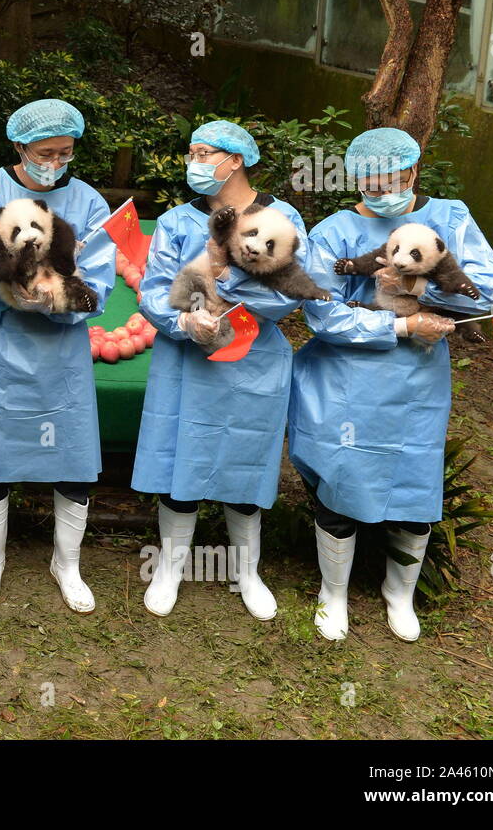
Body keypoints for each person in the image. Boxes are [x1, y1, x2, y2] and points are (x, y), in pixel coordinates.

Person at [289, 127, 493, 641]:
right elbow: (322, 313)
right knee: (340, 481)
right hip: (345, 380)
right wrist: (401, 324)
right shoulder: (336, 230)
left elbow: (485, 292)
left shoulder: (450, 217)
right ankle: (333, 592)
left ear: (413, 170)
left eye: (391, 177)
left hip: (416, 382)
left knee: (414, 483)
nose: (380, 187)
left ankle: (399, 595)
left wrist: (415, 286)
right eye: (369, 178)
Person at [133, 121, 306, 621]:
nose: (195, 161)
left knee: (246, 462)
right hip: (186, 360)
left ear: (235, 160)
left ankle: (247, 570)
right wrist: (183, 319)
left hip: (253, 363)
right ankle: (169, 566)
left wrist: (226, 299)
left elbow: (290, 292)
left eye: (205, 152)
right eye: (192, 151)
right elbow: (154, 288)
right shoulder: (175, 222)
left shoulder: (280, 217)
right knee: (178, 459)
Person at [0, 99, 116, 614]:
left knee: (72, 457)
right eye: (45, 152)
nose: (56, 161)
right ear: (19, 146)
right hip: (1, 340)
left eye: (66, 152)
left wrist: (62, 298)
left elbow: (99, 278)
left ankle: (66, 563)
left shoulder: (88, 200)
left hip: (61, 350)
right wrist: (15, 281)